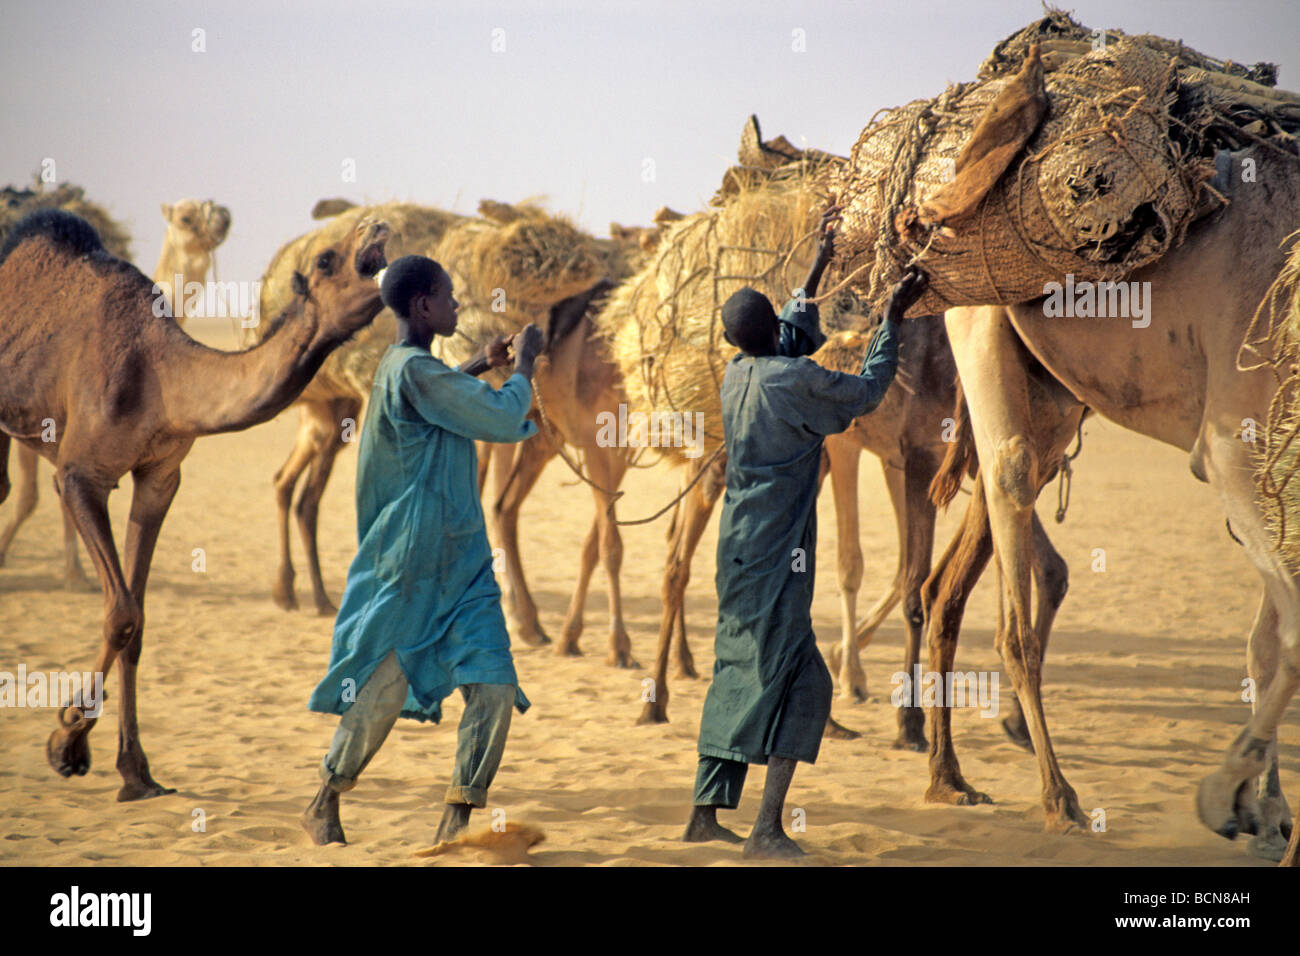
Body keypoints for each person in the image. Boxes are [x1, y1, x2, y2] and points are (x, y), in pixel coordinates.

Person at [682, 208, 930, 858]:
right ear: (769, 332)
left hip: (735, 551)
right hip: (775, 559)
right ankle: (766, 828)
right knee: (805, 681)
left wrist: (818, 263)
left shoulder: (740, 375)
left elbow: (790, 335)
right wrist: (893, 322)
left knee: (733, 667)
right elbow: (870, 391)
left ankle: (705, 814)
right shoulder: (793, 381)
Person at [302, 254, 544, 846]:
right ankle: (324, 799)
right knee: (384, 688)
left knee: (493, 684)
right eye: (448, 296)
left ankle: (456, 823)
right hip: (410, 566)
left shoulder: (411, 368)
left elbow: (441, 393)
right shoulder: (412, 372)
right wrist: (525, 368)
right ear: (422, 306)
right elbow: (502, 417)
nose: (457, 306)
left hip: (462, 566)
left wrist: (481, 363)